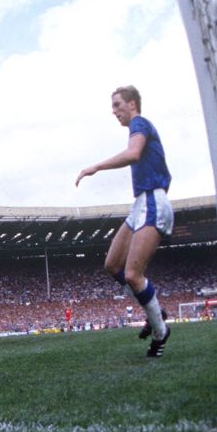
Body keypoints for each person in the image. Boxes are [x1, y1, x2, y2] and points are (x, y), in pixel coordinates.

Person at [75, 85, 173, 358]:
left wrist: (95, 166)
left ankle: (160, 332)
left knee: (132, 274)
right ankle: (155, 312)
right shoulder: (137, 125)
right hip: (141, 203)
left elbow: (134, 153)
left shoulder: (140, 123)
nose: (114, 111)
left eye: (118, 105)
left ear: (132, 104)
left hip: (154, 200)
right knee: (112, 265)